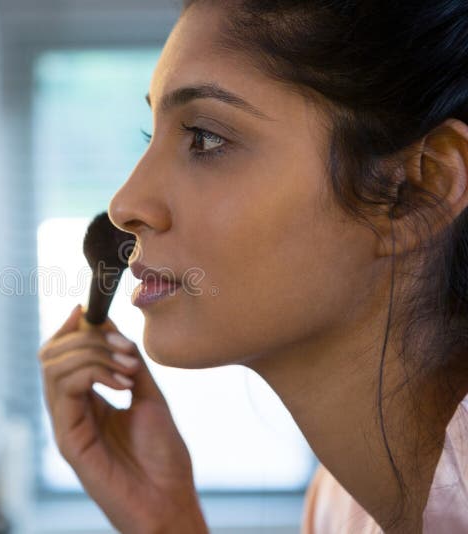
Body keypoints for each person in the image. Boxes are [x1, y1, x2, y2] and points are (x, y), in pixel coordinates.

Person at [37, 1, 468, 532]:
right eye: (152, 137)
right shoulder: (340, 508)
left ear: (419, 187)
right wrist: (167, 524)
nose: (125, 205)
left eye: (205, 138)